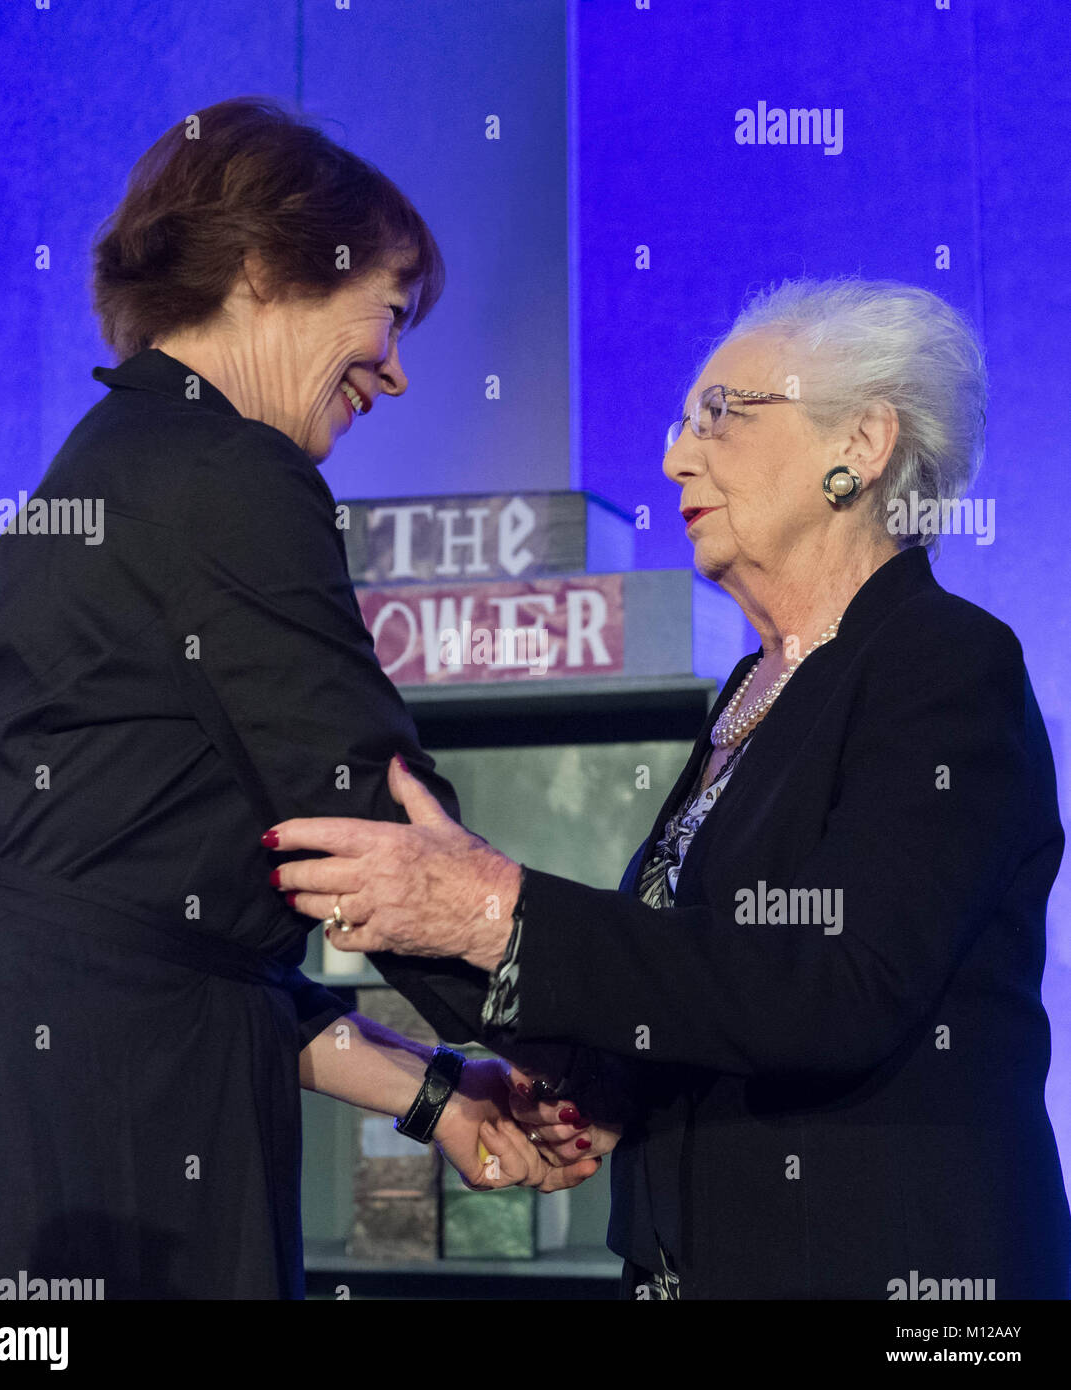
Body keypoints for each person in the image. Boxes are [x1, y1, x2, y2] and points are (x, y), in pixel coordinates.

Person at [0, 96, 599, 1302]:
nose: (394, 370)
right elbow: (372, 820)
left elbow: (173, 941)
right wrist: (603, 1051)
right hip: (116, 1129)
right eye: (387, 314)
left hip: (27, 1115)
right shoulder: (233, 472)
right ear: (260, 272)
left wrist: (438, 1087)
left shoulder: (109, 464)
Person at [269, 278, 1071, 1299]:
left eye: (719, 416)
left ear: (860, 446)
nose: (671, 457)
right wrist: (607, 1073)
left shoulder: (945, 664)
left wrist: (496, 908)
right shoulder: (752, 687)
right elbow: (708, 980)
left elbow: (833, 984)